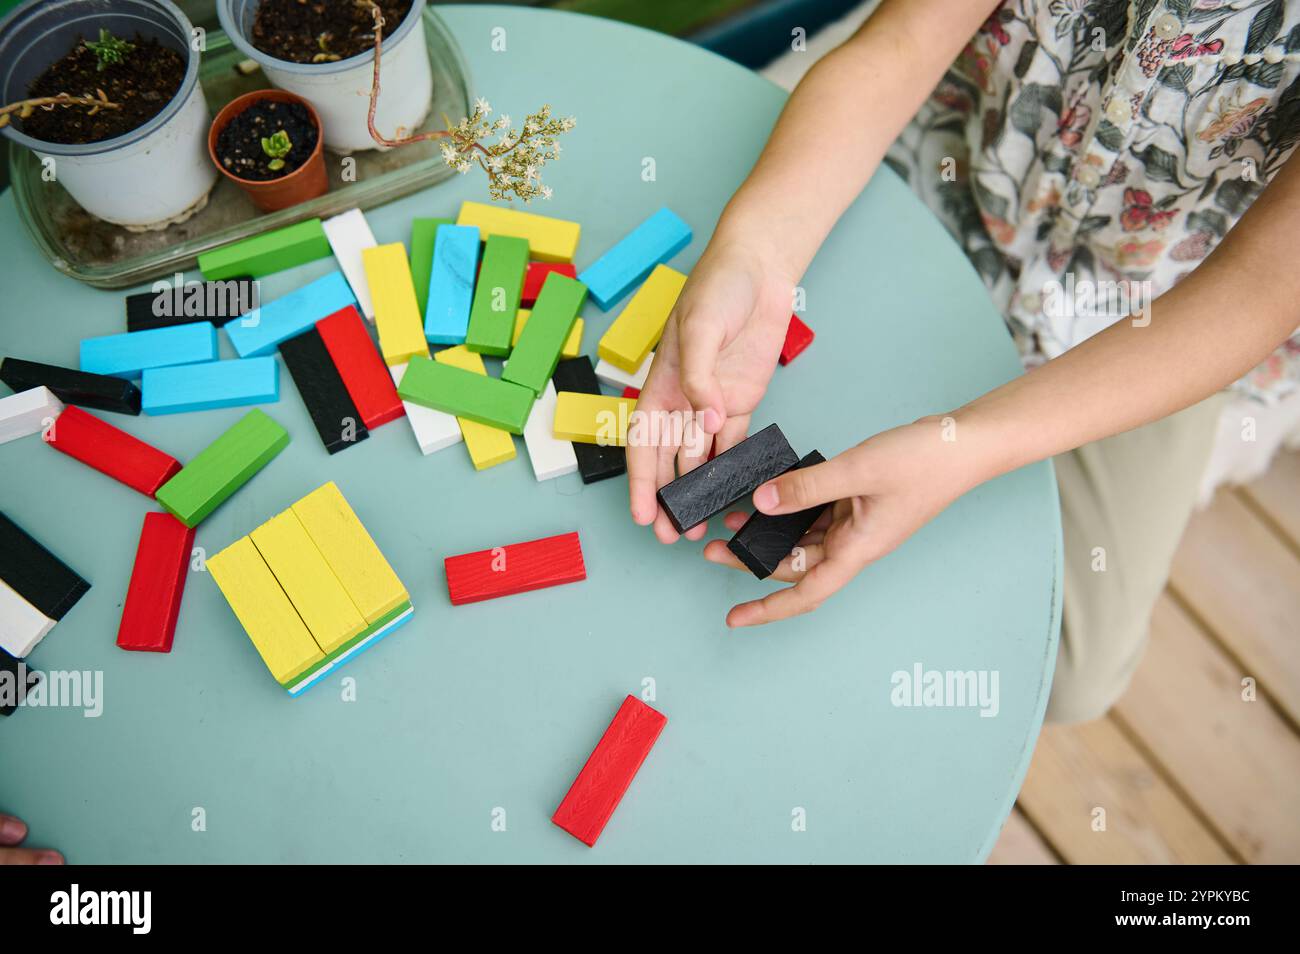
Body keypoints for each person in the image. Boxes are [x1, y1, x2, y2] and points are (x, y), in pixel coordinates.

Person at [627, 0, 1300, 722]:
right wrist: (756, 257)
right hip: (950, 163)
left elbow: (1261, 291)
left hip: (1165, 303)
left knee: (1068, 672)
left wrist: (968, 448)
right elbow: (901, 41)